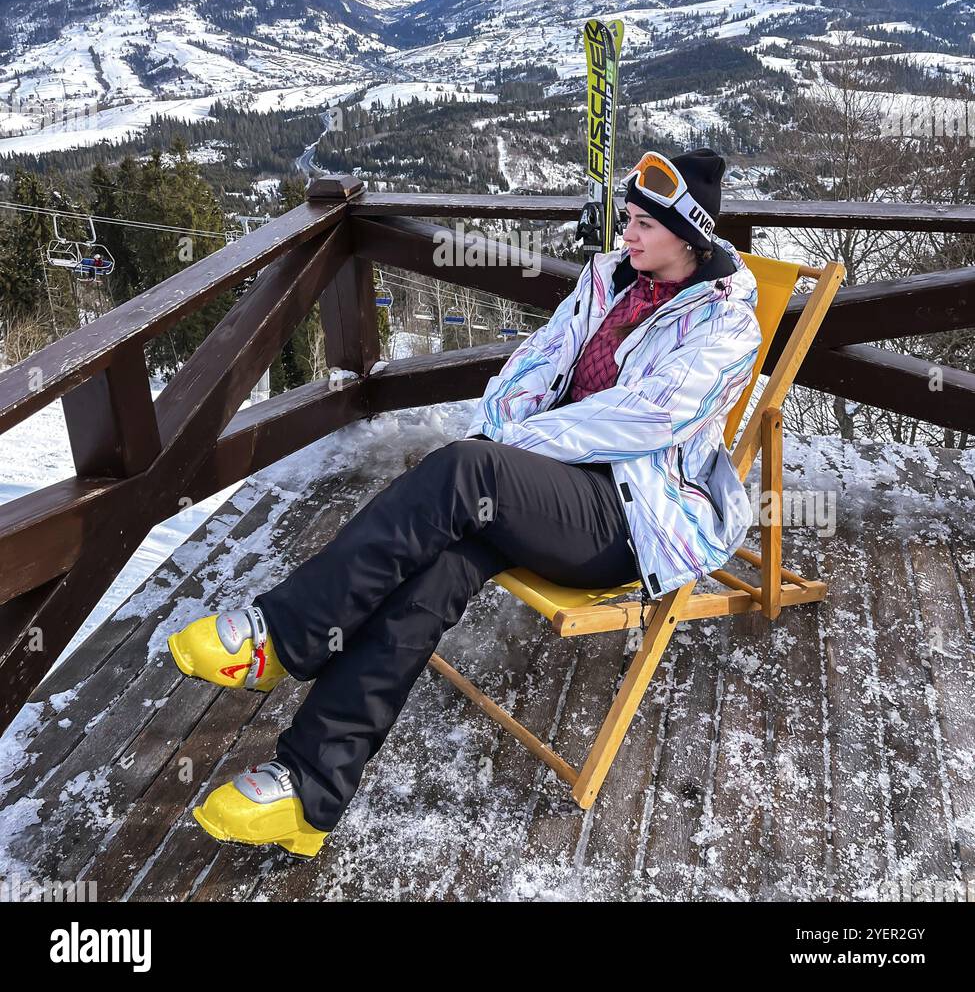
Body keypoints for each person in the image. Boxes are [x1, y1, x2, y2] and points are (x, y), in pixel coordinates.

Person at [167, 146, 762, 858]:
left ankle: (284, 631)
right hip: (530, 489)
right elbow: (536, 360)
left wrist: (510, 450)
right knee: (434, 572)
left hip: (627, 518)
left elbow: (645, 420)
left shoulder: (726, 325)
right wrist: (507, 432)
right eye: (626, 218)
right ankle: (307, 788)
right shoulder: (607, 281)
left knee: (465, 472)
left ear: (688, 236)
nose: (626, 235)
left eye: (643, 225)